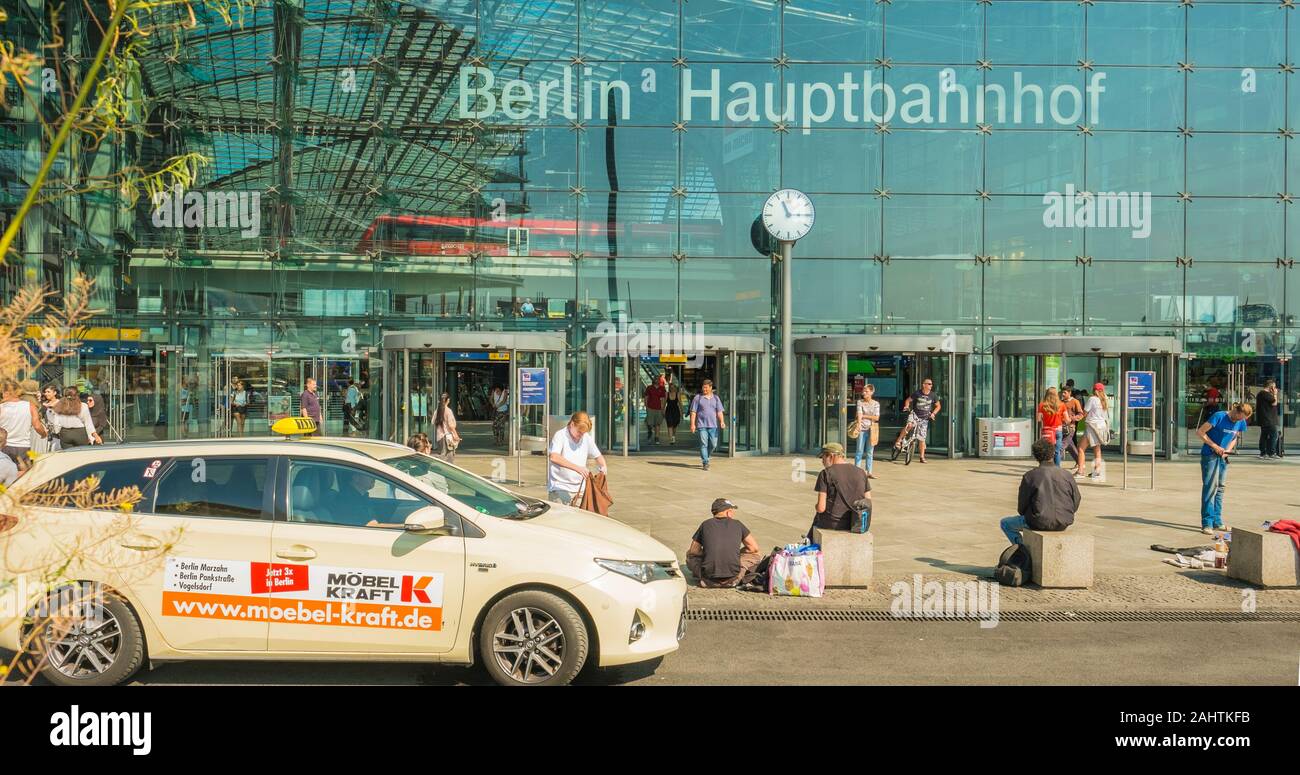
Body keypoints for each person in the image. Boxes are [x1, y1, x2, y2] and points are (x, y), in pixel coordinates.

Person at [999, 438, 1081, 545]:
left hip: (1038, 521)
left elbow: (1022, 506)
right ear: (1053, 453)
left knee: (1005, 523)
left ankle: (1022, 550)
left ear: (1036, 457)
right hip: (1064, 521)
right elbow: (1076, 500)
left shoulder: (1030, 476)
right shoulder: (1067, 475)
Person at [1197, 402, 1253, 535]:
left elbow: (1235, 437)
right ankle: (1207, 523)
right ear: (1236, 411)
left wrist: (1227, 450)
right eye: (1240, 418)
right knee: (1210, 487)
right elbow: (1200, 432)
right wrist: (1215, 446)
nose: (1240, 421)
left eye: (1243, 419)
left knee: (1221, 487)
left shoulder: (1241, 422)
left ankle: (1217, 521)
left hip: (1223, 456)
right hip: (1210, 455)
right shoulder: (1219, 416)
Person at [686, 498, 762, 588]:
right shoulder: (737, 524)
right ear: (728, 512)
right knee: (757, 554)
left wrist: (708, 553)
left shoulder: (705, 524)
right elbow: (754, 548)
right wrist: (740, 552)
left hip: (708, 579)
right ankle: (739, 575)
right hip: (734, 579)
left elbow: (694, 551)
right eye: (732, 511)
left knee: (689, 554)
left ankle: (701, 576)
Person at [810, 442, 870, 538]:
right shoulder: (861, 472)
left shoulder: (825, 473)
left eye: (823, 458)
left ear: (831, 456)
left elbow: (821, 508)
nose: (822, 461)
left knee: (817, 517)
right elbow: (868, 501)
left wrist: (816, 506)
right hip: (856, 523)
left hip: (832, 523)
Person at [547, 411, 607, 505]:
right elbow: (554, 457)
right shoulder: (560, 435)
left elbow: (598, 456)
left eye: (583, 433)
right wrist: (577, 468)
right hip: (560, 488)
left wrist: (603, 466)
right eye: (579, 431)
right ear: (572, 424)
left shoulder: (586, 437)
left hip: (580, 489)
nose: (581, 435)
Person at [0, 379, 47, 471]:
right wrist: (43, 434)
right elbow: (37, 426)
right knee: (23, 475)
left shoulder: (1, 407)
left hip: (4, 446)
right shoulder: (30, 406)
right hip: (23, 447)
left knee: (4, 474)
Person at [893, 377, 941, 463]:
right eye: (929, 384)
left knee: (922, 439)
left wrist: (933, 413)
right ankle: (899, 440)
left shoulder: (933, 395)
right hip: (914, 415)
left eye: (931, 384)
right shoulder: (917, 393)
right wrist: (906, 406)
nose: (931, 385)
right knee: (910, 425)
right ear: (924, 385)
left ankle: (922, 457)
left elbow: (938, 406)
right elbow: (908, 400)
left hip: (925, 418)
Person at [689, 379, 726, 470]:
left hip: (713, 426)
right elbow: (693, 412)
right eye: (703, 387)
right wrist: (692, 424)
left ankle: (706, 456)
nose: (704, 389)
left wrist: (722, 421)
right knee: (703, 444)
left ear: (710, 388)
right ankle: (705, 462)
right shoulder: (698, 398)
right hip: (702, 425)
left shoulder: (716, 398)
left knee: (713, 444)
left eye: (706, 388)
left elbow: (719, 412)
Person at [1078, 382, 1110, 479]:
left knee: (1081, 448)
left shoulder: (1092, 399)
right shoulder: (1105, 400)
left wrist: (1077, 418)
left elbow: (1085, 413)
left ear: (1094, 390)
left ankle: (1081, 471)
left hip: (1092, 426)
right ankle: (1097, 472)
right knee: (1097, 449)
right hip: (1101, 427)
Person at [853, 384, 881, 478]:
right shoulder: (860, 402)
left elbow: (877, 417)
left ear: (871, 392)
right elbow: (859, 414)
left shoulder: (876, 404)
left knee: (870, 451)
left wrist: (864, 416)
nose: (864, 393)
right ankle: (857, 472)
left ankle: (869, 472)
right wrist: (859, 424)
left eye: (866, 391)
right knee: (859, 450)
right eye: (863, 391)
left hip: (872, 429)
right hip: (862, 428)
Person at [1036, 387, 1066, 466]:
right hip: (1058, 430)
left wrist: (1045, 417)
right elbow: (1067, 419)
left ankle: (1046, 466)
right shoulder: (1062, 405)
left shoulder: (1042, 405)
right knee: (1057, 451)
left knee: (1046, 450)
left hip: (1047, 431)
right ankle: (1057, 469)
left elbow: (1038, 419)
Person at [1059, 386, 1084, 475]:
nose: (1063, 394)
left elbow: (1081, 414)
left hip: (1070, 428)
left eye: (1065, 393)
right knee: (1070, 446)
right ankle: (1080, 462)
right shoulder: (1061, 402)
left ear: (1069, 393)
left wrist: (1073, 418)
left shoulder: (1075, 401)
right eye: (1062, 392)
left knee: (1061, 447)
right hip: (1061, 427)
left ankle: (1056, 465)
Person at [1256, 380, 1281, 459]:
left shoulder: (1261, 394)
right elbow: (1274, 403)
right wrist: (1275, 394)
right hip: (1268, 419)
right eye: (1274, 387)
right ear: (1271, 387)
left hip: (1265, 418)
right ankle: (1271, 452)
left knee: (1264, 435)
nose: (1275, 388)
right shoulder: (1265, 394)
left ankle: (1263, 453)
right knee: (1274, 435)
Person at [433, 392, 461, 461]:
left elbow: (433, 422)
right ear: (447, 400)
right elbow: (451, 426)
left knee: (443, 454)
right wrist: (456, 435)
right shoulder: (448, 411)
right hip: (448, 436)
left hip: (440, 436)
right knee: (449, 456)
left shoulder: (437, 410)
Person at [643, 374, 667, 445]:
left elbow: (663, 399)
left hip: (659, 409)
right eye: (655, 378)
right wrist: (646, 406)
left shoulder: (662, 388)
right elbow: (646, 397)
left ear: (659, 380)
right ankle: (650, 431)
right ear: (653, 380)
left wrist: (663, 408)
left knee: (657, 424)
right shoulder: (649, 388)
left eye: (657, 378)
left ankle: (657, 438)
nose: (656, 379)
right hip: (650, 408)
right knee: (649, 423)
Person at [663, 370, 683, 444]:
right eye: (670, 387)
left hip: (676, 411)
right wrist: (663, 410)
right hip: (668, 411)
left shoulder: (678, 394)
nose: (672, 388)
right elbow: (664, 402)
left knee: (674, 425)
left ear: (675, 388)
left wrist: (682, 411)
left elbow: (680, 403)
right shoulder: (666, 394)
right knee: (669, 425)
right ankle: (671, 439)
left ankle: (673, 436)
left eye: (673, 387)